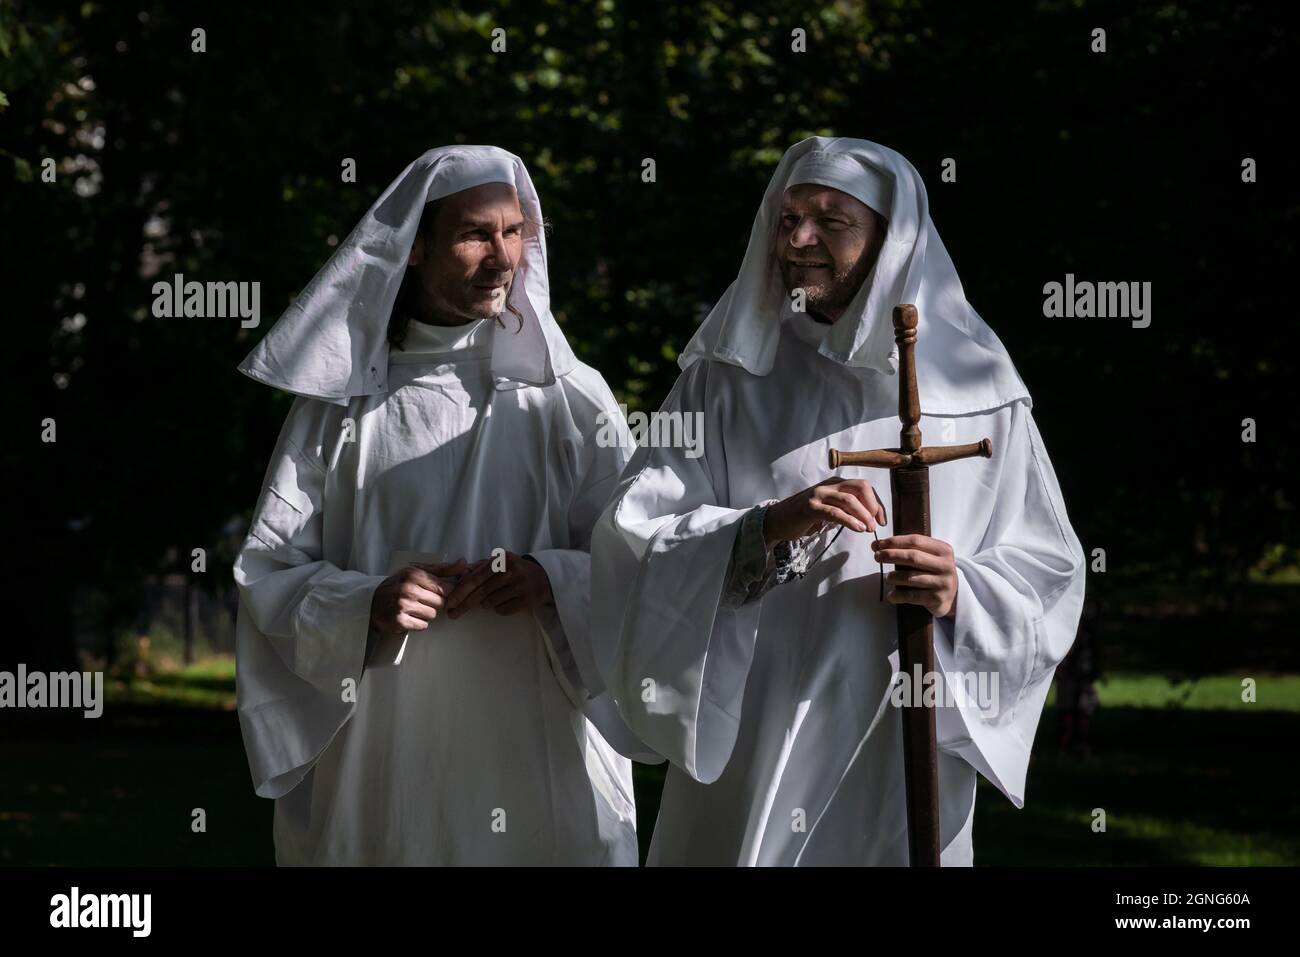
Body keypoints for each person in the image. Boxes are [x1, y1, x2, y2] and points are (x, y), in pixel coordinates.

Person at [591, 136, 1087, 865]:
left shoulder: (980, 392)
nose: (798, 239)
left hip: (897, 738)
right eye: (789, 217)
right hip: (756, 731)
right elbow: (631, 536)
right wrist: (764, 529)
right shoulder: (729, 378)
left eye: (831, 219)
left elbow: (1050, 572)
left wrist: (962, 590)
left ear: (893, 239)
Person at [234, 145, 647, 865]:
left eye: (514, 231)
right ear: (416, 245)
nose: (502, 256)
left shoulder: (566, 395)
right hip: (387, 753)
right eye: (475, 233)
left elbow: (640, 557)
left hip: (537, 739)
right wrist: (367, 604)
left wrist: (552, 578)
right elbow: (270, 572)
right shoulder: (338, 408)